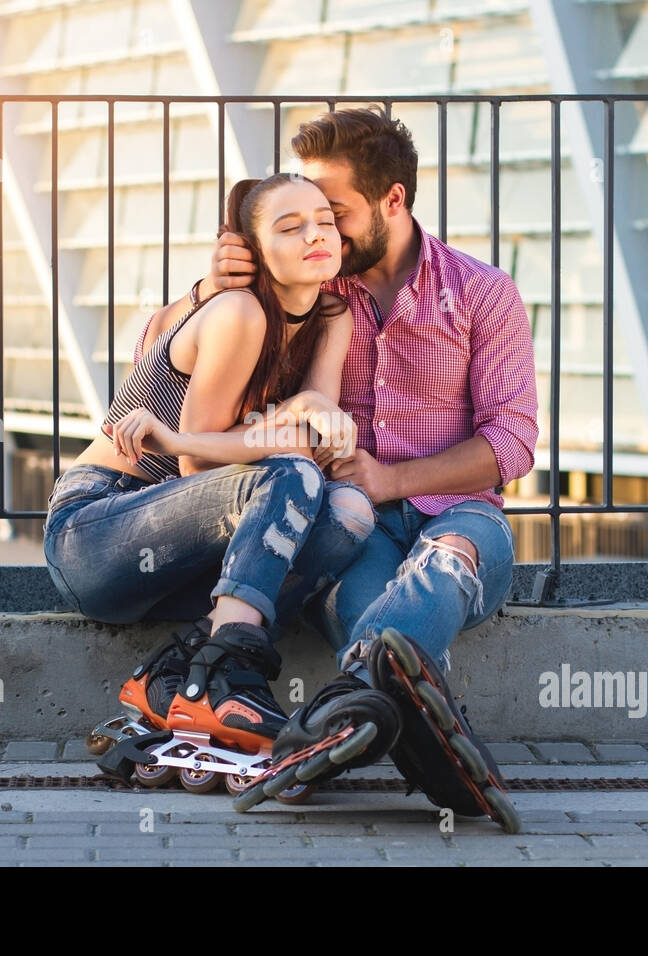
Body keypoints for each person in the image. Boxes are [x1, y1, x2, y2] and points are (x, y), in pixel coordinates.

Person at [147, 108, 538, 830]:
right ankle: (420, 745)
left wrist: (393, 480)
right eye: (310, 217)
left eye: (337, 213)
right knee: (380, 634)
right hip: (353, 525)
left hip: (459, 515)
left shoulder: (483, 294)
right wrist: (207, 291)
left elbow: (512, 441)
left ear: (394, 201)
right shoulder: (317, 292)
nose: (322, 231)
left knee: (446, 564)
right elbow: (169, 355)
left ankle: (329, 717)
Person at [44, 173, 398, 784]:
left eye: (324, 219)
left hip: (186, 559)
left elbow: (313, 438)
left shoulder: (331, 312)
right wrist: (266, 427)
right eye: (290, 228)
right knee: (291, 474)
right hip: (97, 536)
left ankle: (176, 673)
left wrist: (304, 423)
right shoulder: (238, 312)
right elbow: (197, 467)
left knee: (350, 510)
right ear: (254, 252)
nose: (316, 235)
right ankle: (227, 671)